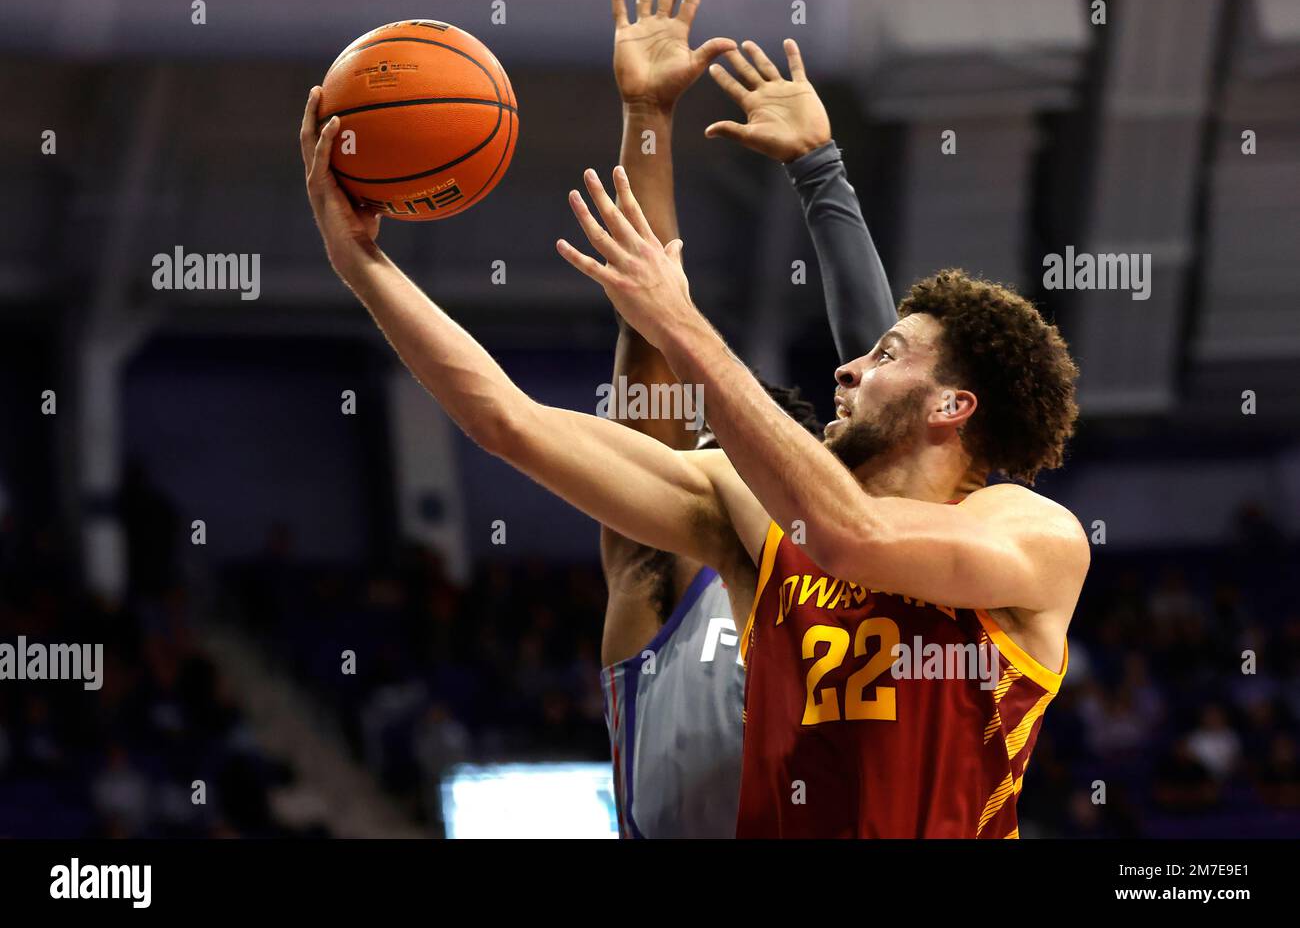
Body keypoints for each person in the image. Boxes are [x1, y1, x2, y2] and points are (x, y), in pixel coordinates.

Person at [301, 73, 1087, 845]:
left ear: (954, 407)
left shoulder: (1032, 536)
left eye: (883, 354)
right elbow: (508, 421)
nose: (847, 368)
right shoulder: (749, 518)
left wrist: (685, 320)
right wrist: (362, 266)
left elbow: (859, 536)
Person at [596, 0, 896, 837]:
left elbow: (885, 390)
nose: (712, 468)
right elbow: (650, 334)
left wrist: (822, 168)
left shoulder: (867, 567)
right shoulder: (663, 573)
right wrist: (647, 118)